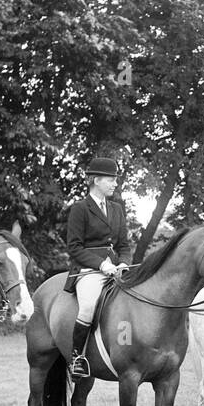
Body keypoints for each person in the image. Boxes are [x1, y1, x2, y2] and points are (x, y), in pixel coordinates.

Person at [64, 157, 132, 378]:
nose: (115, 184)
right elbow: (74, 247)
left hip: (115, 270)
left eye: (115, 180)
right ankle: (77, 358)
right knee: (87, 306)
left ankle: (128, 349)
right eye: (111, 180)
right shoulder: (80, 209)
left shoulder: (116, 209)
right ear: (96, 180)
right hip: (89, 270)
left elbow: (124, 245)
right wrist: (102, 264)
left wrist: (123, 263)